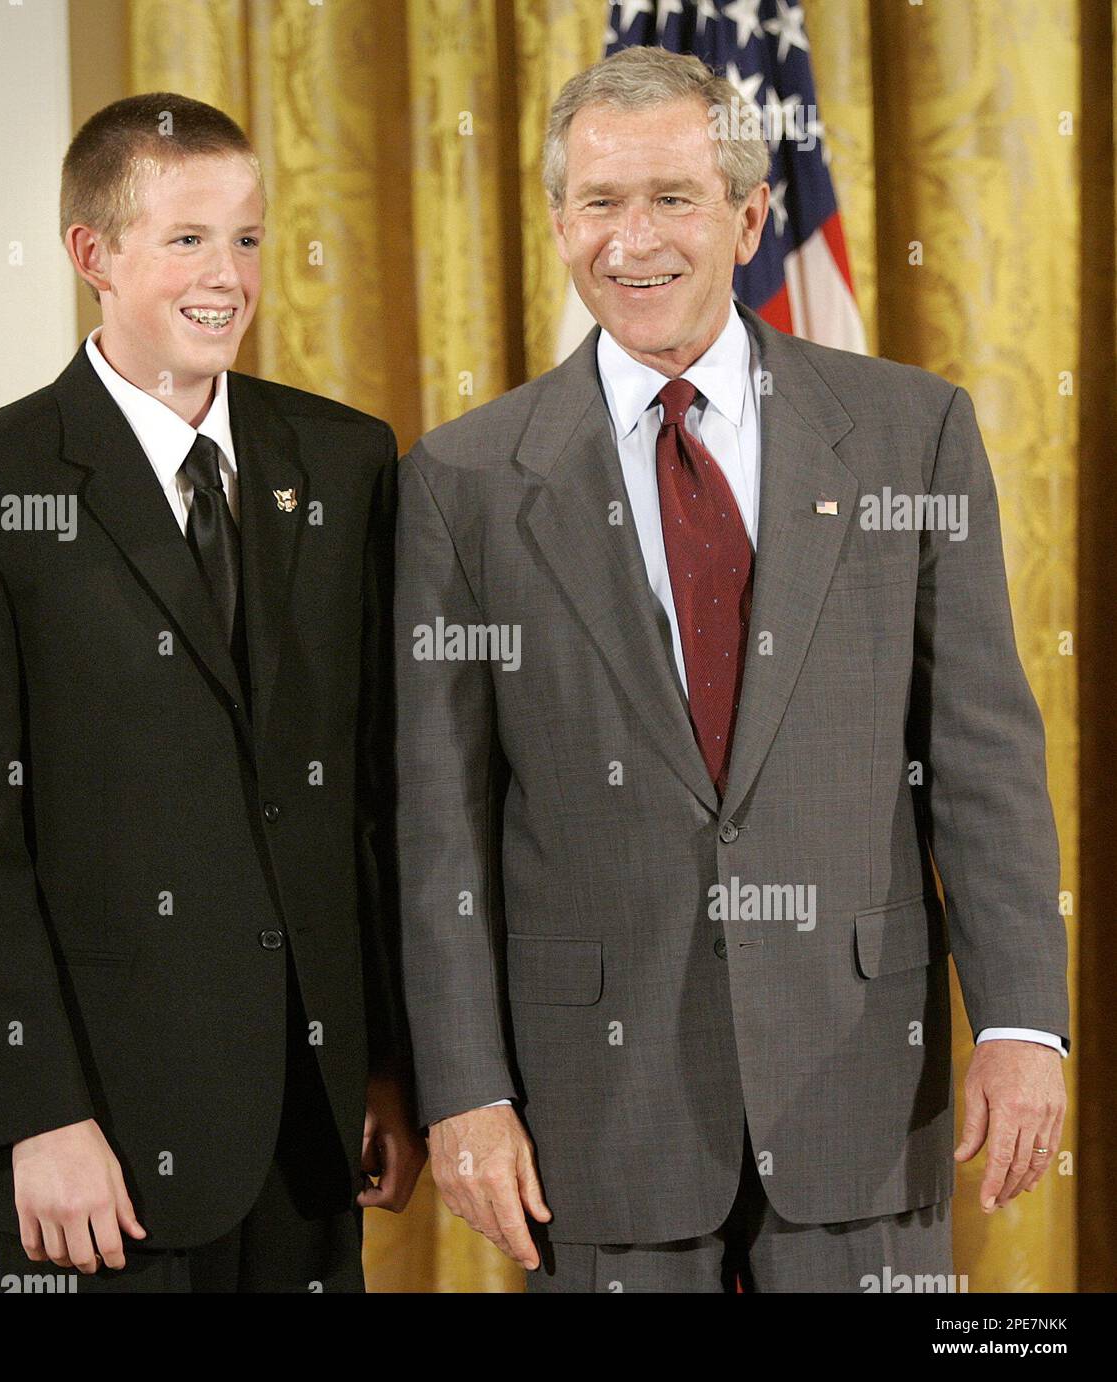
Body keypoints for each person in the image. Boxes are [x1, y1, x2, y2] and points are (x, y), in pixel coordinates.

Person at [395, 47, 1068, 1293]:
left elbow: (981, 752)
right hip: (596, 1107)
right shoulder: (463, 480)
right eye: (598, 202)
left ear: (751, 217)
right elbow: (441, 824)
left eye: (671, 197)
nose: (630, 238)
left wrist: (1022, 1021)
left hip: (859, 1086)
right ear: (556, 223)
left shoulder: (910, 431)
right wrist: (465, 1090)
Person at [0, 92, 423, 1294]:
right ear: (91, 254)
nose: (226, 275)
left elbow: (374, 798)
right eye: (185, 239)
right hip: (99, 1150)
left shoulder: (345, 460)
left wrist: (386, 1064)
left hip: (309, 1128)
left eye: (247, 237)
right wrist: (33, 1116)